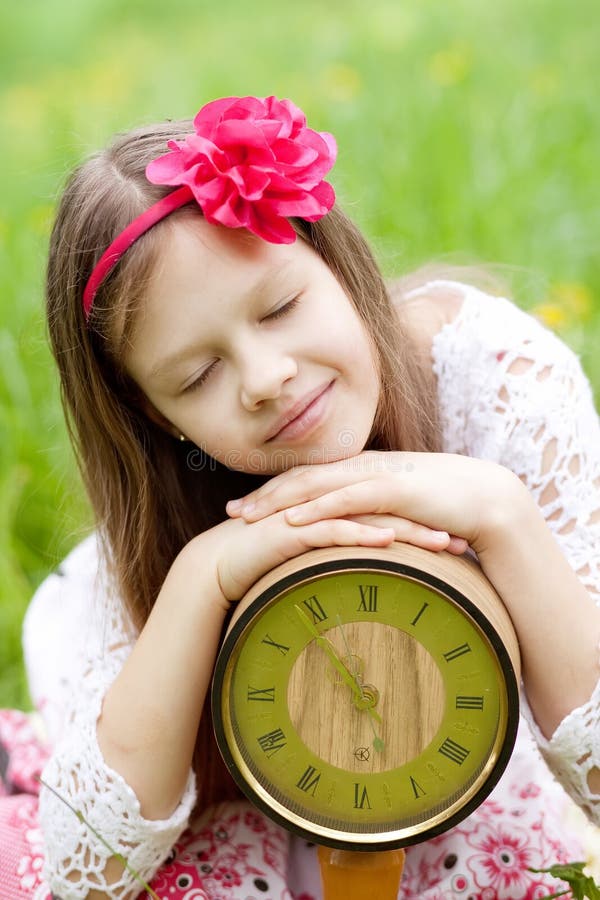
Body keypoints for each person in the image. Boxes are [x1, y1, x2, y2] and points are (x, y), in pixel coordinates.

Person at [1, 94, 599, 900]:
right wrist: (202, 577)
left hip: (469, 784)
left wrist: (503, 515)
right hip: (249, 821)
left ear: (336, 264)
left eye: (281, 307)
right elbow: (89, 873)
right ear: (154, 414)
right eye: (198, 376)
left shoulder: (490, 379)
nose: (266, 379)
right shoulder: (163, 520)